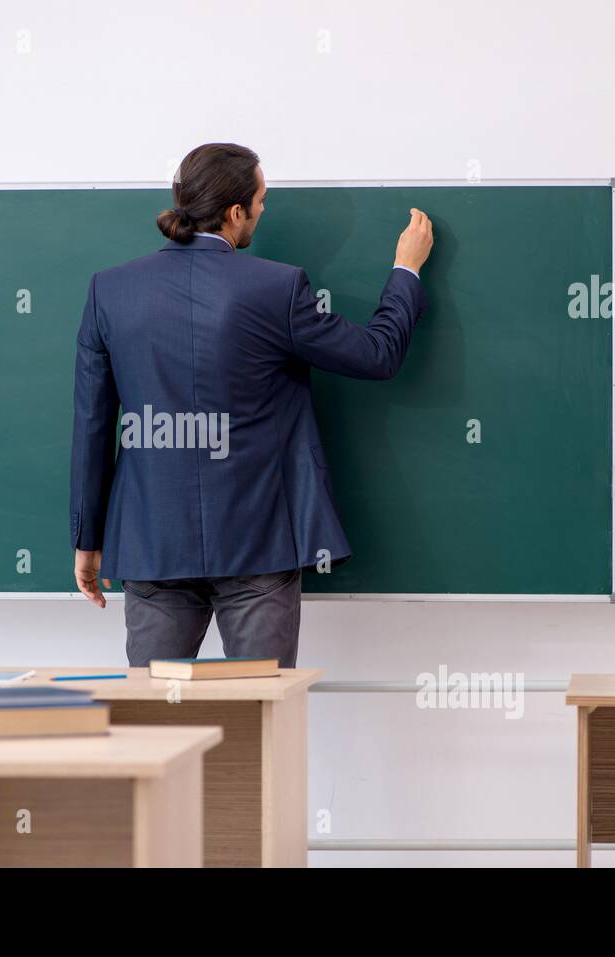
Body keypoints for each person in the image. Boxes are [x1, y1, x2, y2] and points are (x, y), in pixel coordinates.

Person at [70, 142, 433, 667]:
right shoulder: (277, 288)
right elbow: (377, 355)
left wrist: (88, 539)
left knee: (155, 722)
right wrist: (406, 269)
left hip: (152, 546)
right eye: (261, 200)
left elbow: (92, 425)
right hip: (258, 544)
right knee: (265, 719)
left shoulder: (110, 291)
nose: (263, 211)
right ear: (236, 211)